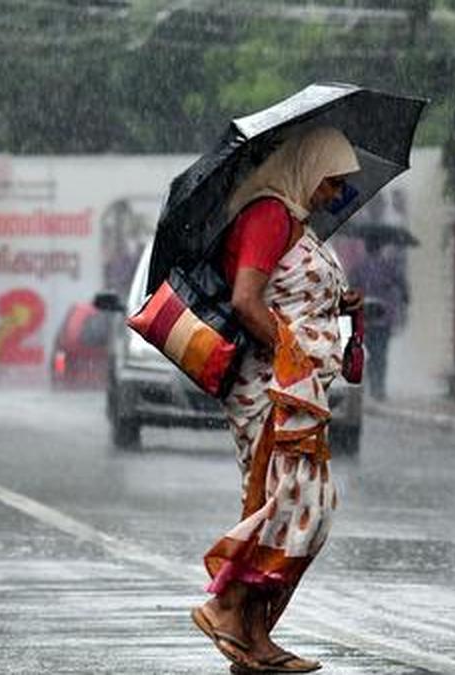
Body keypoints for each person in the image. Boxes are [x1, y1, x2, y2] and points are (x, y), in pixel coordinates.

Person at [190, 127, 363, 674]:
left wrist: (340, 300)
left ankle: (253, 639)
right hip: (272, 386)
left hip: (299, 388)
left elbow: (294, 290)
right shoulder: (267, 215)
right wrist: (291, 350)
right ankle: (228, 606)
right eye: (332, 182)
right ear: (307, 168)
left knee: (296, 501)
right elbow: (247, 300)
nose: (336, 195)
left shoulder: (295, 222)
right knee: (297, 503)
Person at [349, 237, 409, 401]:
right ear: (380, 248)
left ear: (367, 248)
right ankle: (379, 388)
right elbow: (402, 285)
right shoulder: (389, 266)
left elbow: (349, 288)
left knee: (367, 353)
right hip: (384, 317)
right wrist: (405, 299)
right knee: (381, 353)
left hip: (366, 318)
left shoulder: (359, 268)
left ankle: (369, 385)